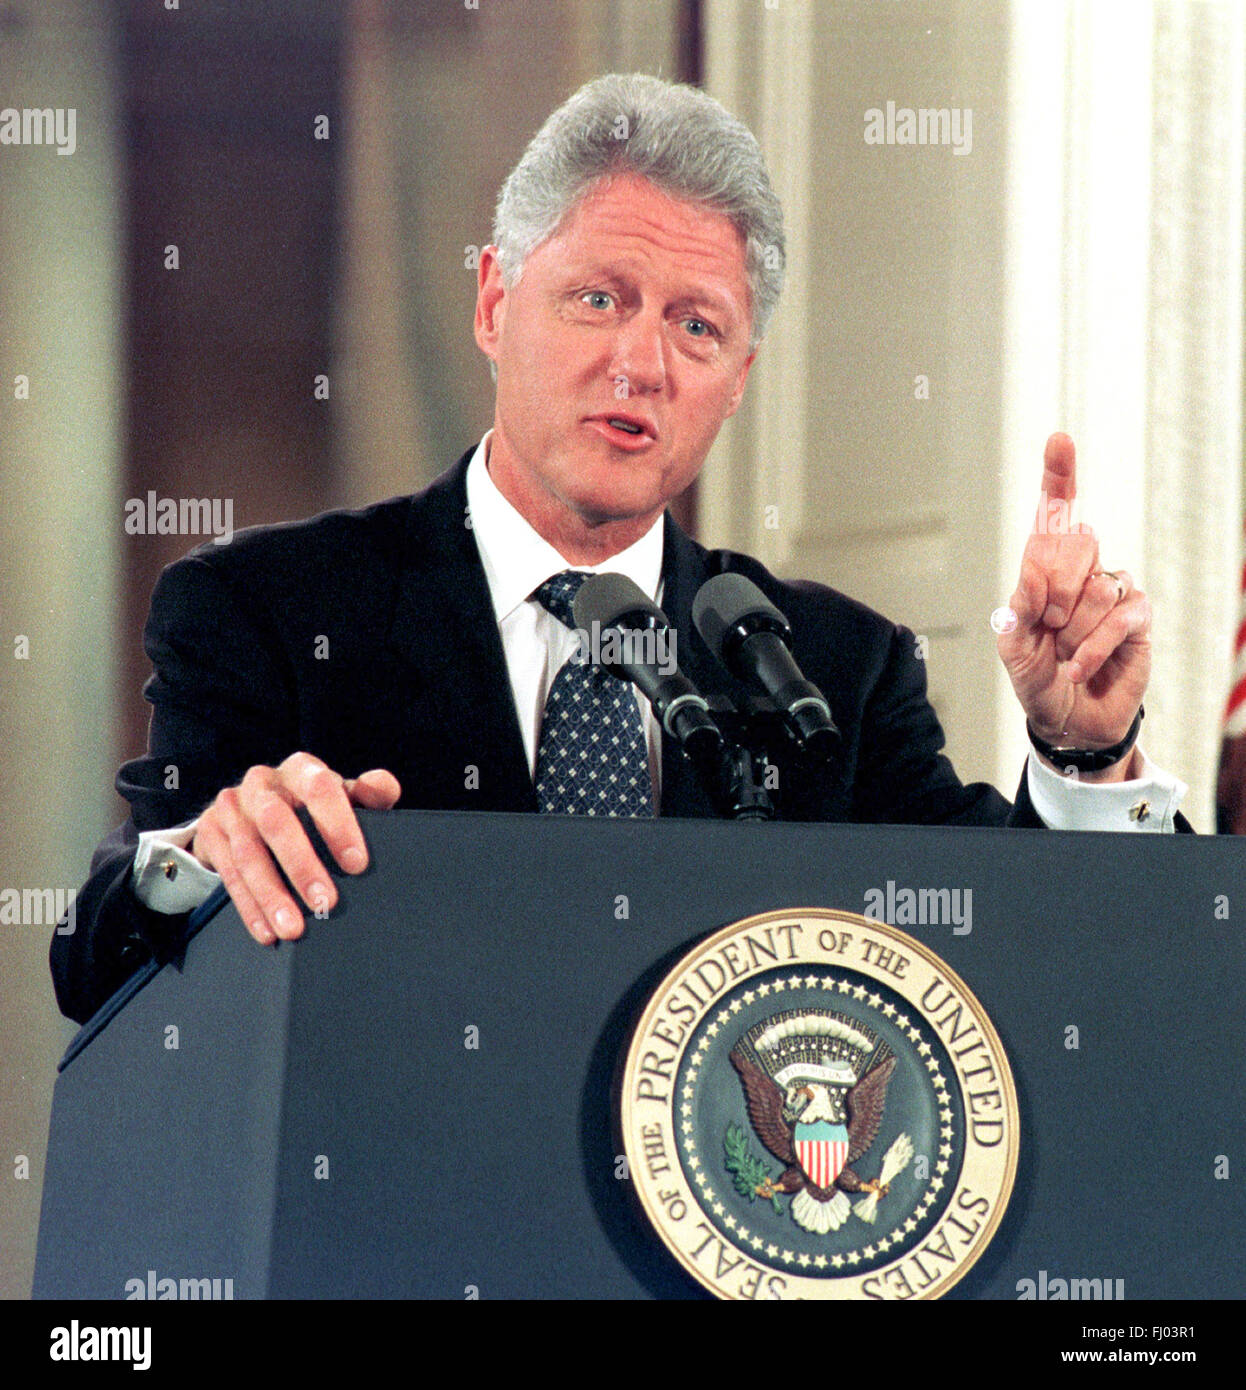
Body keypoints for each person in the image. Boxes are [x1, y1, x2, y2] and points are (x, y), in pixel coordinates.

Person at [52, 73, 1188, 1025]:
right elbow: (96, 953)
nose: (642, 364)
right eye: (597, 298)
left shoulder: (829, 669)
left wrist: (1084, 755)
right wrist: (200, 857)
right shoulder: (264, 607)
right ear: (495, 301)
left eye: (697, 325)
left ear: (738, 381)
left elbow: (1017, 950)